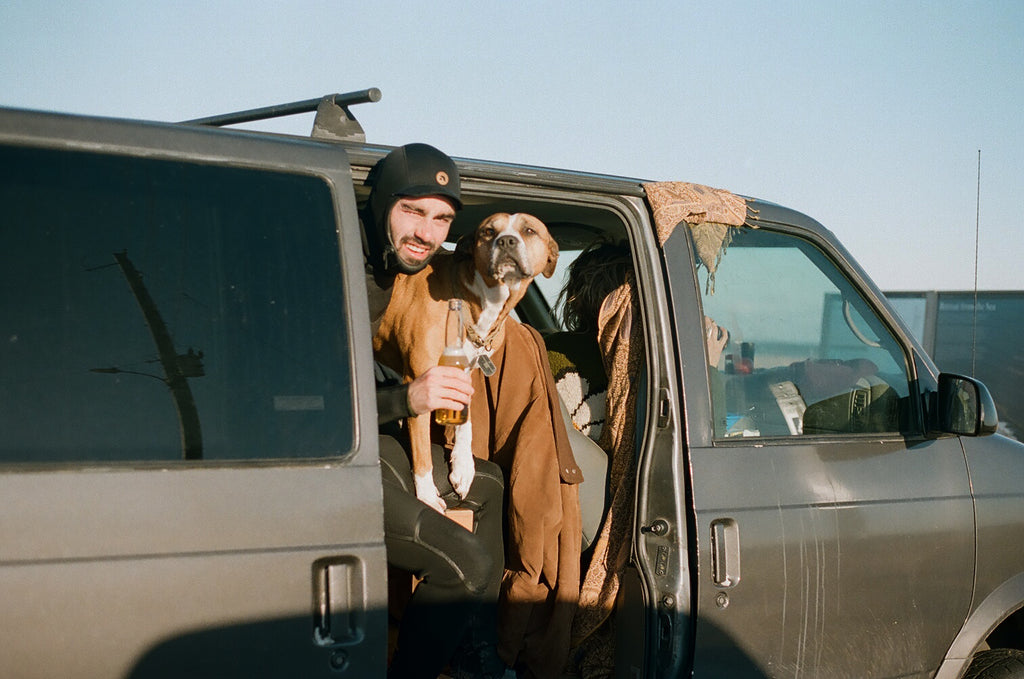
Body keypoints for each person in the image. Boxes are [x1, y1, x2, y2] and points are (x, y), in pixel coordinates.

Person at [362, 143, 507, 679]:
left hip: (374, 436)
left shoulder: (399, 272)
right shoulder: (344, 271)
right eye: (413, 211)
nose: (427, 233)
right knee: (468, 562)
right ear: (381, 204)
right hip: (330, 457)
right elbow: (309, 405)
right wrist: (409, 399)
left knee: (487, 485)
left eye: (442, 218)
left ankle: (473, 649)